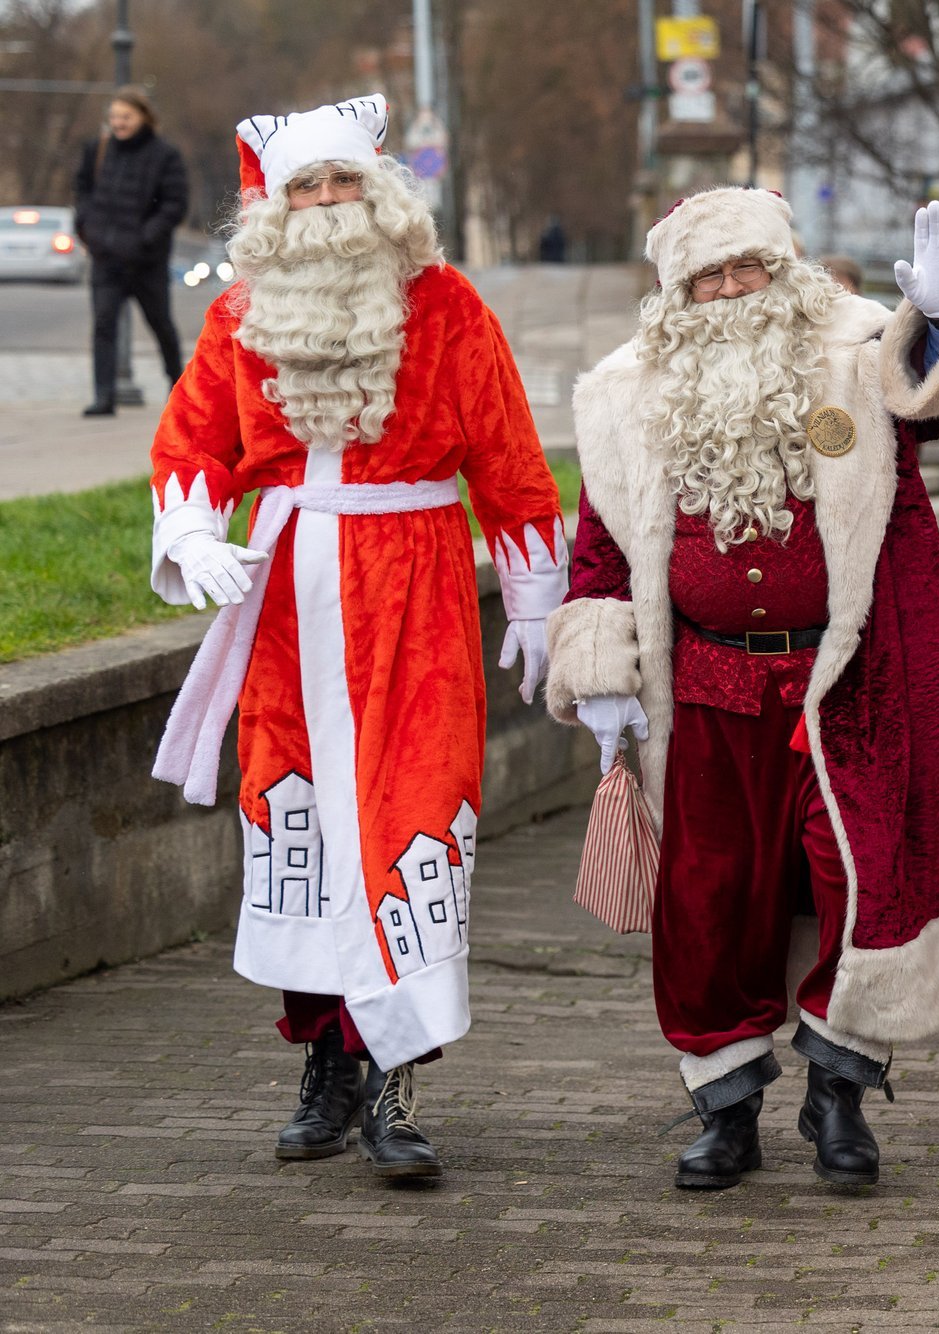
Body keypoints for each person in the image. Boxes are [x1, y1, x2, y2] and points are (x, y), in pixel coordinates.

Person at [544, 189, 939, 1192]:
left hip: (848, 677)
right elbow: (601, 545)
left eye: (749, 269)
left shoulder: (855, 352)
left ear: (786, 273)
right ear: (676, 291)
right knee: (710, 898)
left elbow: (929, 393)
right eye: (709, 275)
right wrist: (599, 662)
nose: (731, 291)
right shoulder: (624, 392)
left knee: (855, 877)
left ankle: (838, 1090)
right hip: (707, 686)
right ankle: (725, 1104)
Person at [146, 96, 567, 1181]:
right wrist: (193, 528)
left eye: (343, 182)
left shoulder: (447, 303)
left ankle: (394, 1074)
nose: (328, 203)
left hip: (414, 591)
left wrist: (533, 599)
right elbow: (194, 438)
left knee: (412, 818)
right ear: (275, 205)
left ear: (377, 188)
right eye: (306, 186)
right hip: (287, 595)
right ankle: (327, 1062)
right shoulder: (239, 313)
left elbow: (510, 456)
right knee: (303, 824)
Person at [74, 85, 187, 417]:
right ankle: (104, 397)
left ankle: (179, 390)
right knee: (103, 325)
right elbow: (81, 189)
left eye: (125, 117)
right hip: (106, 258)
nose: (118, 123)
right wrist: (86, 227)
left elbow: (175, 204)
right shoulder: (98, 149)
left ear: (143, 117)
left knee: (161, 325)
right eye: (114, 117)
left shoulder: (165, 155)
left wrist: (146, 238)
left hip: (146, 260)